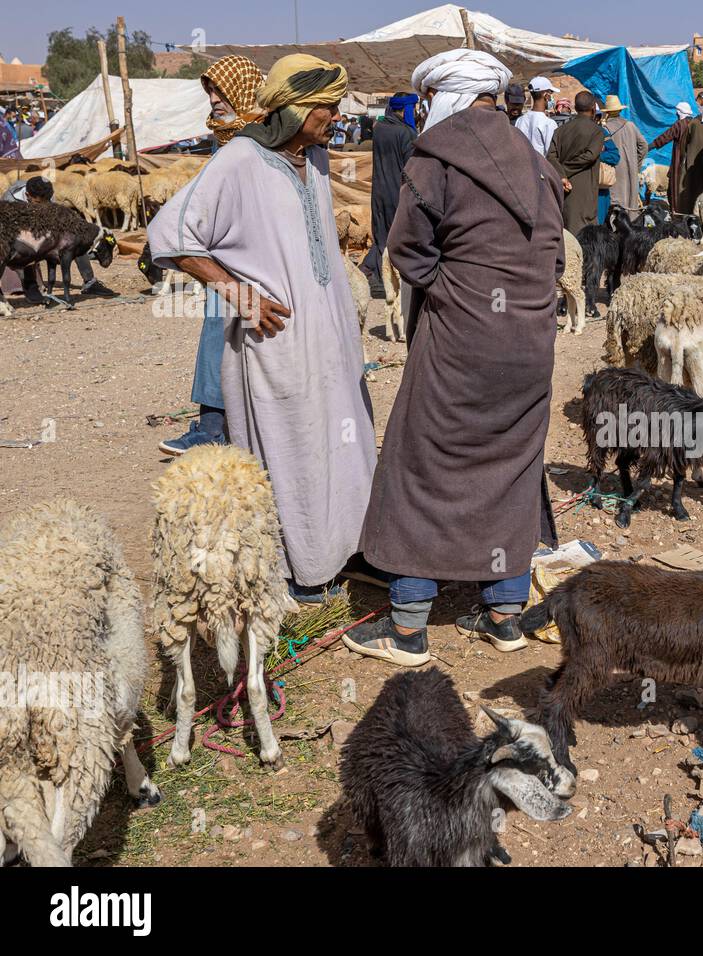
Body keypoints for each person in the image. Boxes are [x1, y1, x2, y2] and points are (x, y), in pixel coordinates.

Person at [345, 50, 563, 665]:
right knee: (513, 464)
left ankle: (408, 625)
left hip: (459, 346)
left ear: (443, 99)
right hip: (531, 346)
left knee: (425, 462)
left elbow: (408, 252)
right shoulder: (539, 165)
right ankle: (503, 614)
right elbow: (556, 261)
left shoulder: (436, 160)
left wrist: (460, 296)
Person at [146, 54, 378, 604]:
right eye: (327, 106)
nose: (334, 116)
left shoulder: (315, 158)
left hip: (331, 338)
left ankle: (347, 552)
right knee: (290, 447)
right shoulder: (241, 160)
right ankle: (301, 572)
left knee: (345, 441)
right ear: (295, 107)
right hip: (273, 342)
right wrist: (239, 293)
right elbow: (171, 235)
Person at [157, 54, 264, 456]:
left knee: (224, 337)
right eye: (211, 91)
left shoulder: (255, 139)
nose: (215, 99)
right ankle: (222, 423)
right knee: (222, 336)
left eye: (221, 90)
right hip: (220, 254)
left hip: (246, 257)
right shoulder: (226, 138)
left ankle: (213, 428)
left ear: (243, 89)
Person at [360, 91, 418, 297]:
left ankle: (368, 270)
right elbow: (411, 168)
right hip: (398, 191)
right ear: (407, 109)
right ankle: (381, 278)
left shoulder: (380, 128)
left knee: (381, 234)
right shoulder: (406, 134)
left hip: (378, 190)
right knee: (395, 235)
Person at [547, 90, 605, 232]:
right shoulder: (597, 131)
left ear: (575, 108)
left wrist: (562, 175)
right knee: (584, 239)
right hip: (585, 196)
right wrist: (565, 170)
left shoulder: (560, 131)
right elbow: (590, 156)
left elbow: (551, 157)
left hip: (564, 192)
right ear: (593, 108)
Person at [649, 101, 703, 214]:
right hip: (693, 163)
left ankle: (676, 212)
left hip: (679, 162)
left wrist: (648, 147)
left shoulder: (680, 125)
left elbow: (665, 137)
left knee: (675, 188)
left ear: (679, 113)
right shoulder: (695, 123)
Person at [602, 95, 647, 213]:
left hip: (615, 170)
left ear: (607, 112)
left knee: (617, 206)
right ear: (620, 110)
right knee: (631, 202)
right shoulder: (630, 125)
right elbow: (644, 145)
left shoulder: (605, 128)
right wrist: (636, 164)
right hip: (631, 170)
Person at [515, 76, 559, 156]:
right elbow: (551, 154)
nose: (551, 98)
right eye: (551, 93)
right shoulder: (549, 124)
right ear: (546, 96)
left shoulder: (520, 120)